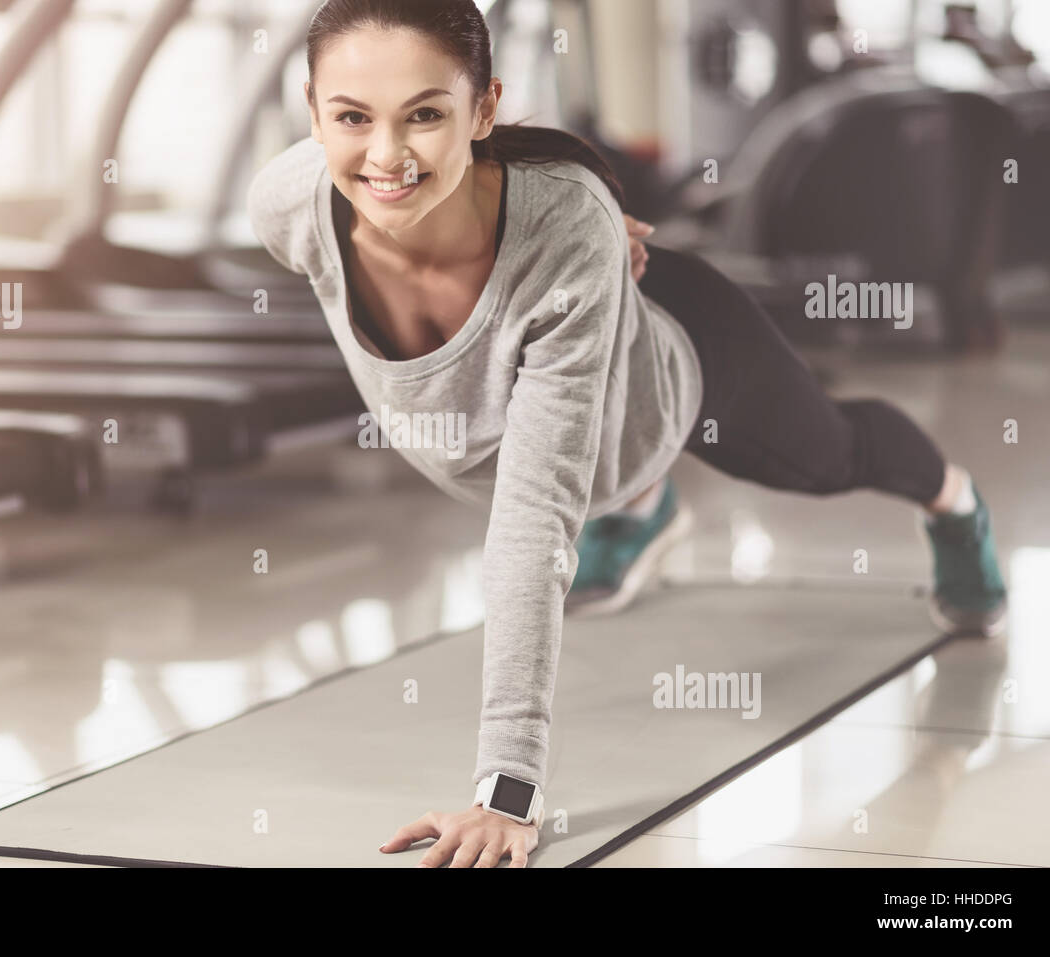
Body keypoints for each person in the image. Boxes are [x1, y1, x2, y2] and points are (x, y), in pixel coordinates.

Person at [247, 0, 1007, 868]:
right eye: (351, 118)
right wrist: (599, 222)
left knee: (833, 451)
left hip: (687, 356)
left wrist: (508, 788)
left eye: (426, 114)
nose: (386, 156)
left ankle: (957, 504)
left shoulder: (559, 232)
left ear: (484, 110)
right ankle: (641, 507)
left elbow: (534, 520)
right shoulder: (287, 207)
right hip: (590, 415)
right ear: (312, 113)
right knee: (589, 463)